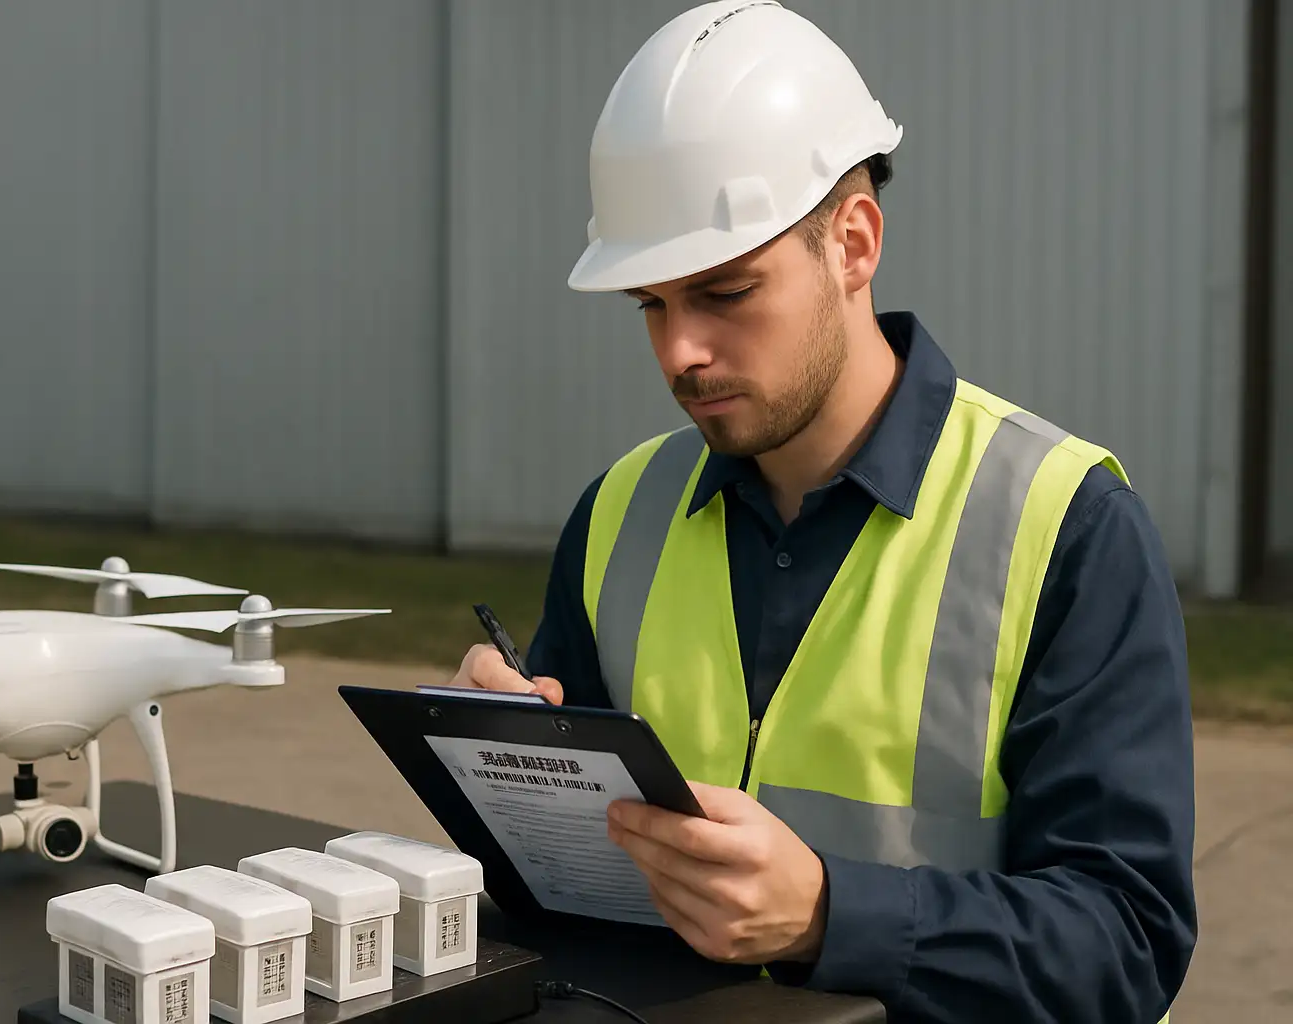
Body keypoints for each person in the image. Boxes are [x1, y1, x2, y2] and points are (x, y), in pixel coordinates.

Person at [446, 2, 1197, 1022]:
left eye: (724, 291)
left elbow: (1125, 941)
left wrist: (831, 915)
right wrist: (505, 765)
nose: (680, 353)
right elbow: (568, 890)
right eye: (653, 307)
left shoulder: (1068, 527)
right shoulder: (620, 512)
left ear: (853, 243)